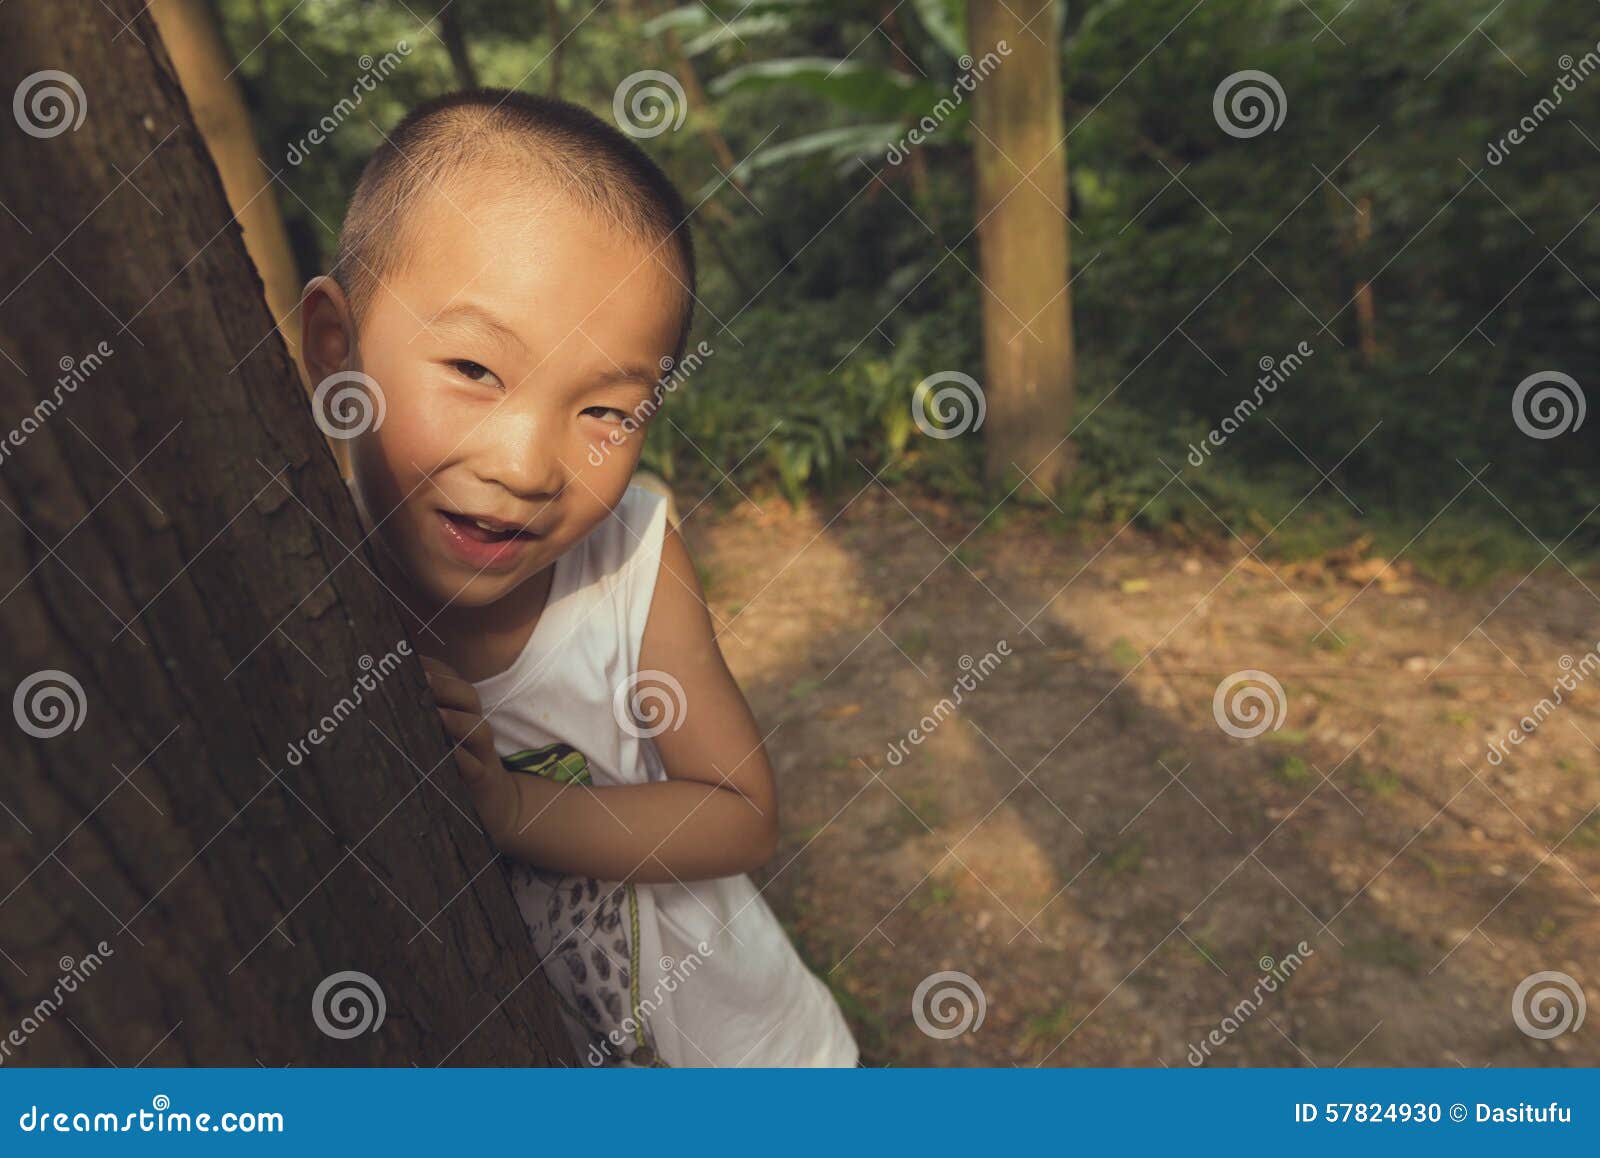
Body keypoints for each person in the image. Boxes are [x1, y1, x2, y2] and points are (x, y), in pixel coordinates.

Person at [296, 88, 858, 1067]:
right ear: (334, 352)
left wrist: (516, 812)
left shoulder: (629, 559)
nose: (524, 466)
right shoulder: (297, 574)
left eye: (608, 412)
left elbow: (740, 811)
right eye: (474, 368)